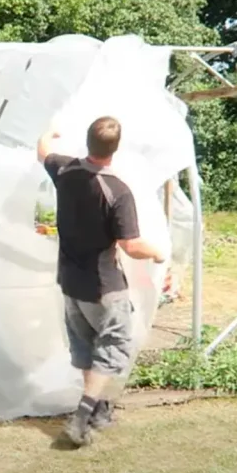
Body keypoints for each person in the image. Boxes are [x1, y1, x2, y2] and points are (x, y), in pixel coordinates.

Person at [37, 115, 166, 447]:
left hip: (70, 282)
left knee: (87, 347)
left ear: (87, 141)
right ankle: (81, 418)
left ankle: (99, 410)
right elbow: (131, 245)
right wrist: (157, 253)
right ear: (116, 148)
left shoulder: (65, 170)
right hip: (104, 287)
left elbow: (43, 151)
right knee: (113, 348)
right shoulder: (117, 191)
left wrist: (49, 132)